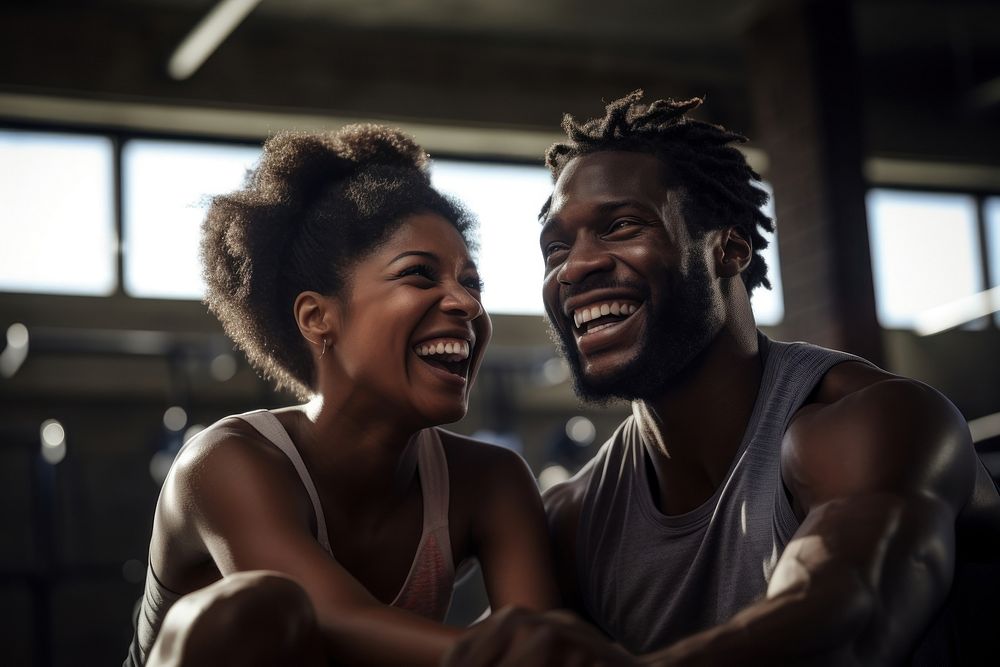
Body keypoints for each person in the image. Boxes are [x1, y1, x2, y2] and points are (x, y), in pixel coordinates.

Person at [446, 91, 1000, 666]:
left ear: (730, 249)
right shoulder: (575, 518)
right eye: (556, 248)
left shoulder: (873, 422)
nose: (576, 266)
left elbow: (849, 616)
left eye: (622, 226)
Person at [124, 125, 559, 667]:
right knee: (254, 609)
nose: (467, 304)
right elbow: (334, 618)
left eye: (472, 284)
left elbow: (544, 650)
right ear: (317, 317)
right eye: (419, 275)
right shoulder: (224, 462)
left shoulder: (492, 481)